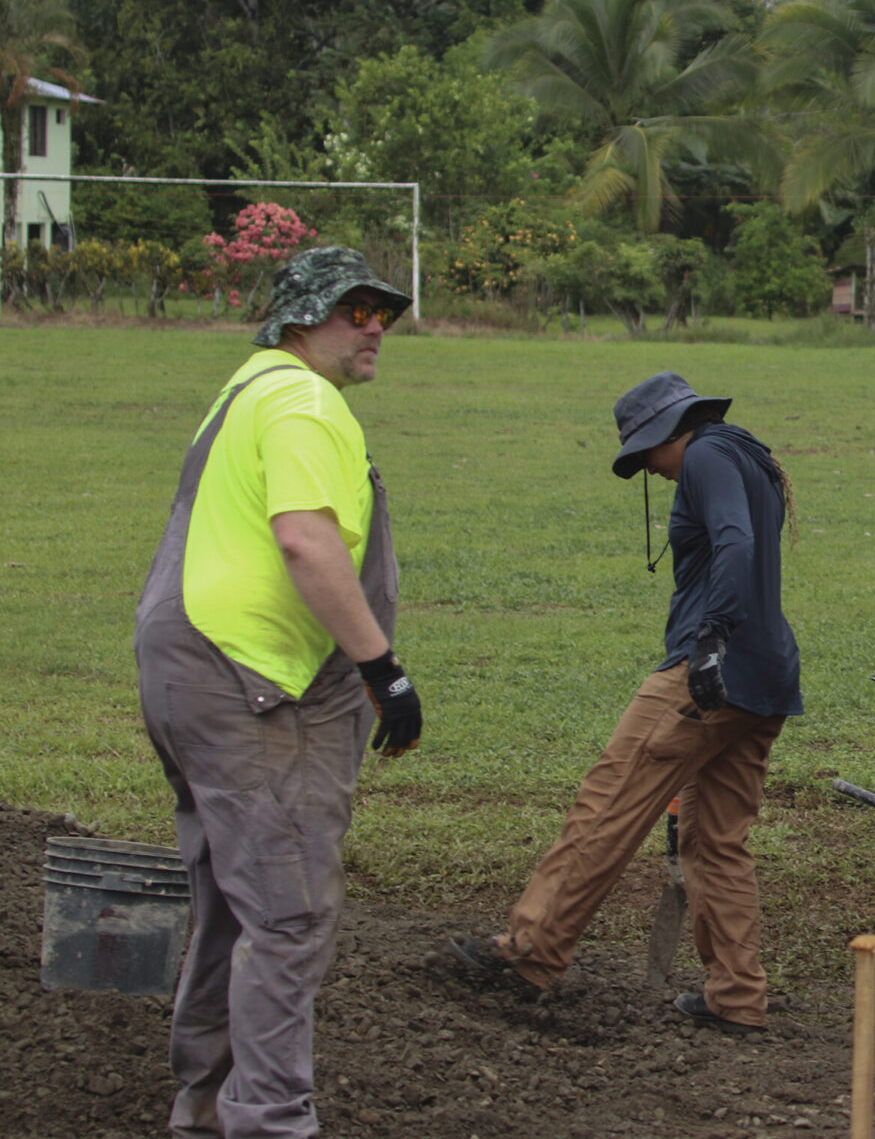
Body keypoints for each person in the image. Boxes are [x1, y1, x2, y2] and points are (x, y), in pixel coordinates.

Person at [134, 246, 423, 1139]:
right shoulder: (300, 399)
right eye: (356, 310)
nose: (376, 326)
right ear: (301, 318)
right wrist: (383, 667)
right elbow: (304, 539)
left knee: (236, 897)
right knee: (288, 912)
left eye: (384, 312)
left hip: (191, 668)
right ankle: (266, 1122)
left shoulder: (248, 389)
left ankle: (210, 1107)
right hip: (255, 684)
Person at [453, 372, 801, 1032]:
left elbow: (734, 541)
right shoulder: (752, 458)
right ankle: (736, 998)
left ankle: (531, 949)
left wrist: (710, 639)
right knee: (714, 841)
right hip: (766, 677)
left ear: (670, 432)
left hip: (710, 672)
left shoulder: (705, 455)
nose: (651, 470)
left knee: (608, 803)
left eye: (646, 454)